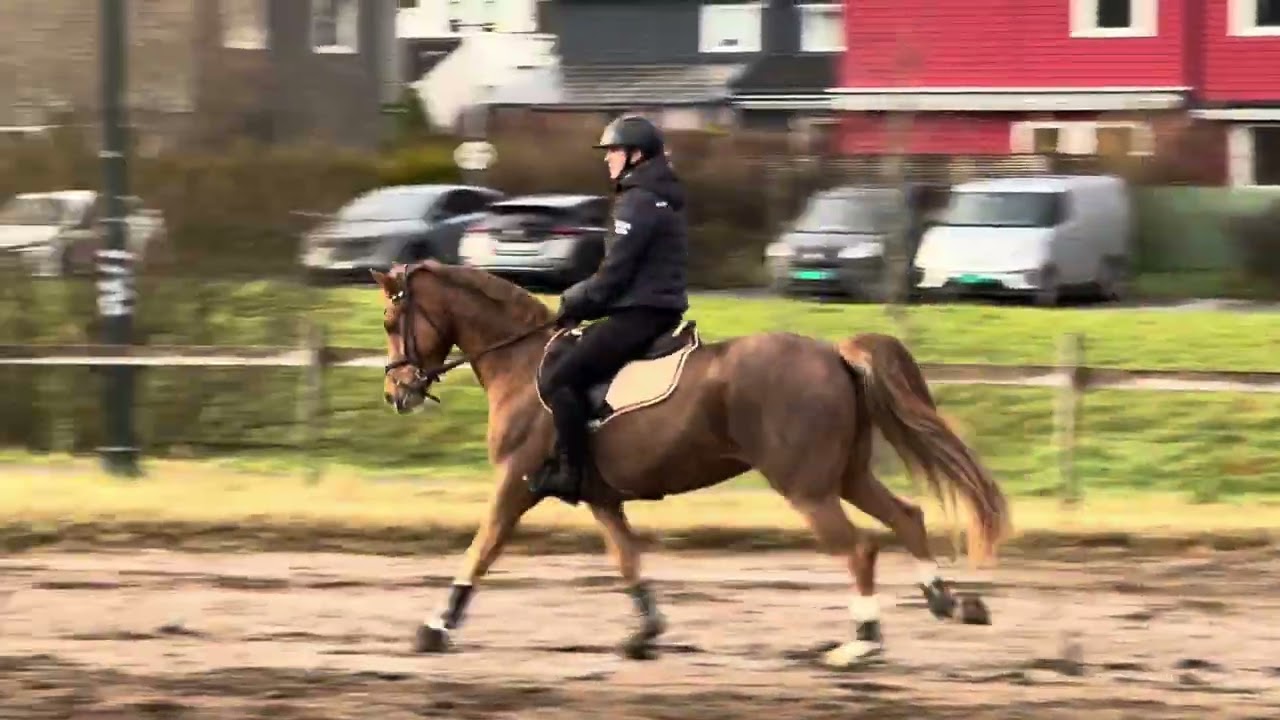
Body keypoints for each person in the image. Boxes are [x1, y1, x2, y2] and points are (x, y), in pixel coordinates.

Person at [528, 114, 690, 505]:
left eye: (614, 150)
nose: (607, 158)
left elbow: (614, 274)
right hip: (650, 308)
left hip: (640, 313)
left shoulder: (637, 202)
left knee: (560, 380)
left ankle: (571, 474)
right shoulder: (655, 195)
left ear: (636, 155)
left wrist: (573, 301)